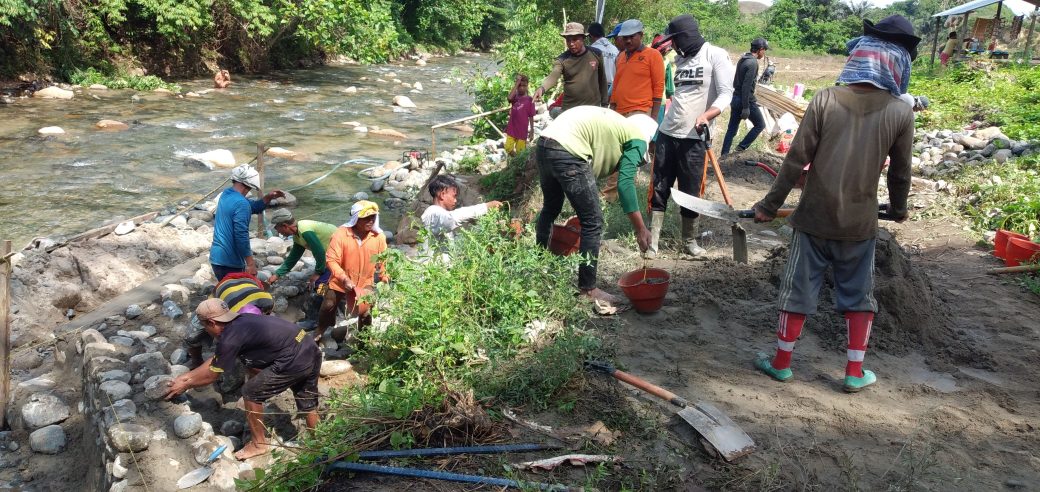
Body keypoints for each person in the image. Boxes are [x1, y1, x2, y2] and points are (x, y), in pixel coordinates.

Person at [751, 14, 917, 393]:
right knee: (859, 295)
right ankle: (854, 372)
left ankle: (781, 364)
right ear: (896, 64)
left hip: (813, 219)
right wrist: (899, 209)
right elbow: (900, 174)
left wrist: (768, 204)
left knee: (798, 290)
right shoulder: (900, 111)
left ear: (859, 58)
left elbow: (795, 161)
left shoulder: (825, 99)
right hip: (859, 225)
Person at [164, 298, 322, 460]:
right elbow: (225, 360)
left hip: (293, 358)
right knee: (306, 397)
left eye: (204, 326)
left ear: (211, 322)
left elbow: (212, 374)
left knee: (251, 392)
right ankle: (318, 442)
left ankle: (258, 445)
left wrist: (185, 382)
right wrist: (187, 377)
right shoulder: (243, 320)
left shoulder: (230, 337)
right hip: (308, 346)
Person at [535, 107, 658, 305]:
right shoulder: (638, 138)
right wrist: (641, 229)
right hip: (568, 149)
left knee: (551, 208)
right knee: (593, 221)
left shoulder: (618, 126)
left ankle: (538, 266)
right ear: (649, 139)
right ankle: (588, 289)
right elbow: (625, 184)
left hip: (544, 144)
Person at [647, 14, 734, 258]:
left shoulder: (715, 55)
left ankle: (689, 241)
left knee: (690, 190)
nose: (672, 45)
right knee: (660, 186)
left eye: (674, 40)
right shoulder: (680, 60)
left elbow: (726, 94)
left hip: (695, 138)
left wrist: (707, 115)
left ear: (686, 37)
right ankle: (653, 241)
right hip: (668, 132)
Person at [323, 200, 388, 343]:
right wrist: (343, 278)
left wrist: (384, 277)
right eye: (366, 217)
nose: (371, 220)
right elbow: (331, 260)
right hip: (340, 279)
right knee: (328, 304)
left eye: (373, 217)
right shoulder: (341, 234)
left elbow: (383, 261)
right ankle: (320, 331)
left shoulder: (379, 237)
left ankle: (364, 343)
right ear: (355, 218)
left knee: (365, 312)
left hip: (365, 280)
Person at [184, 272, 275, 368]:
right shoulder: (230, 316)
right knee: (192, 335)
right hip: (223, 288)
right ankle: (196, 360)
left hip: (248, 281)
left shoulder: (267, 302)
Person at [210, 165, 284, 281]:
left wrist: (269, 197)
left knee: (227, 294)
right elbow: (241, 235)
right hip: (230, 262)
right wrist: (250, 263)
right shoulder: (241, 203)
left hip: (216, 259)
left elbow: (253, 207)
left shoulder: (227, 194)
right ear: (250, 185)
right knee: (237, 297)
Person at [533, 23, 608, 111]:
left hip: (592, 108)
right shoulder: (562, 60)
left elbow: (602, 80)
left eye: (575, 39)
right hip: (570, 110)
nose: (571, 44)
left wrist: (604, 105)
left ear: (583, 38)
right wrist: (542, 88)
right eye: (568, 40)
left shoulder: (596, 54)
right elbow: (553, 76)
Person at [421, 175, 503, 245]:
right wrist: (486, 207)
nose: (455, 200)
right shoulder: (432, 212)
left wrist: (488, 227)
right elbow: (452, 219)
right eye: (454, 196)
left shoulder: (442, 217)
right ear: (442, 195)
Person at [722, 38, 769, 155]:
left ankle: (724, 155)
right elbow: (746, 87)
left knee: (731, 129)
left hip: (735, 98)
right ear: (760, 50)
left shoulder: (743, 59)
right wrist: (746, 107)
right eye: (765, 50)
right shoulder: (752, 63)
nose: (764, 53)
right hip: (745, 99)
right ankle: (740, 148)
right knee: (760, 124)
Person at [610, 19, 665, 119]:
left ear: (641, 35)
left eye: (632, 36)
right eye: (625, 37)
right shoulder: (620, 56)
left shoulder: (653, 55)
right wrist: (612, 108)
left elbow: (658, 86)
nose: (628, 40)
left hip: (641, 111)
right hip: (619, 112)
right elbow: (616, 84)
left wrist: (653, 117)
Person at [505, 74, 537, 156]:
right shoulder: (514, 97)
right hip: (512, 128)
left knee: (520, 152)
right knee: (508, 148)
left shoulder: (530, 100)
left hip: (522, 131)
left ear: (527, 86)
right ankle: (516, 160)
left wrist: (532, 131)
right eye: (519, 86)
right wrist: (517, 82)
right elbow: (509, 98)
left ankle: (518, 162)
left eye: (524, 85)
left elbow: (531, 116)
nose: (521, 88)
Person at [588, 23, 619, 94]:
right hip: (613, 87)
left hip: (598, 87)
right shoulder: (615, 49)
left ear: (591, 36)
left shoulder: (592, 49)